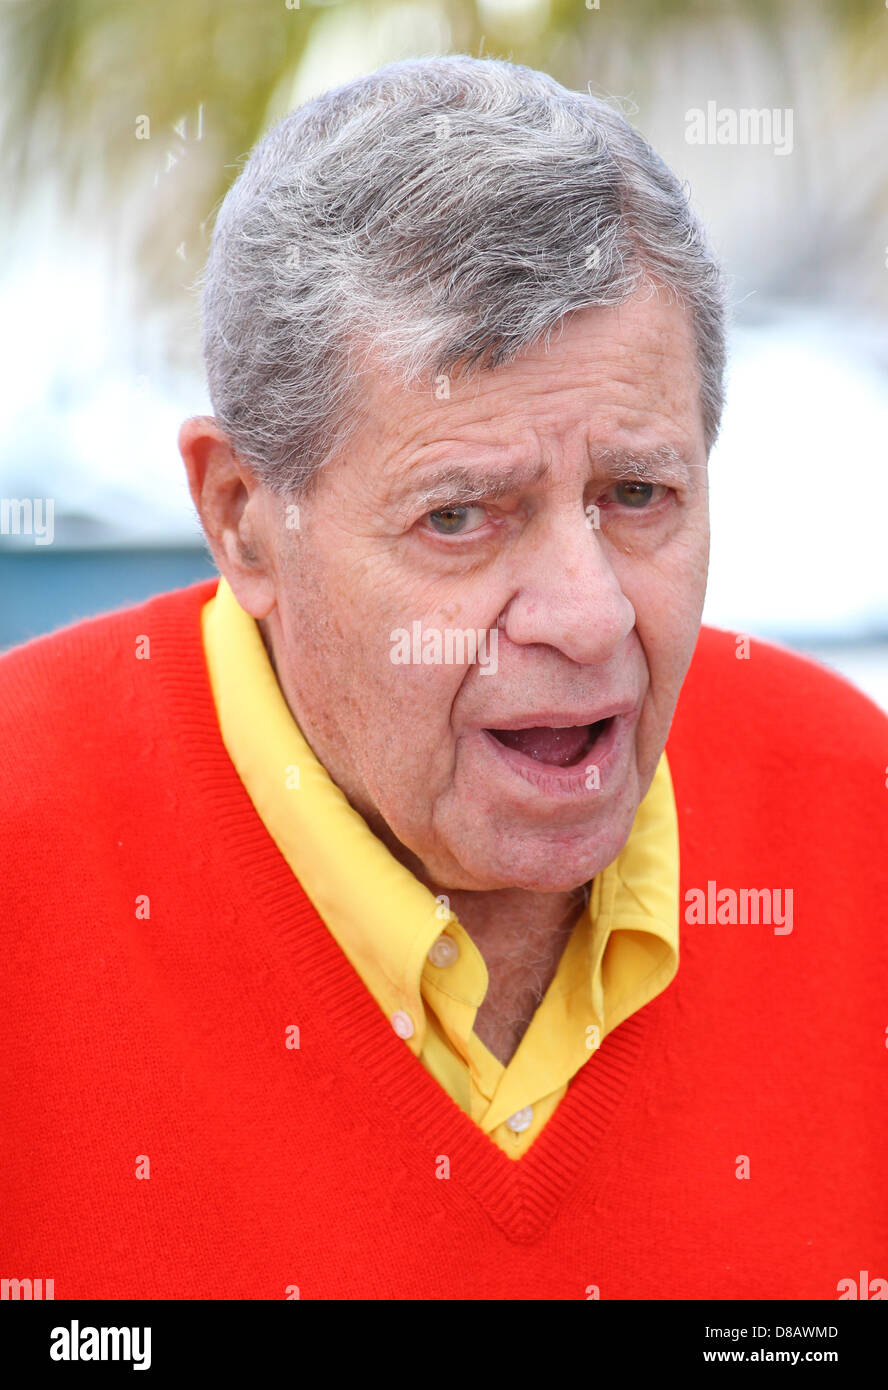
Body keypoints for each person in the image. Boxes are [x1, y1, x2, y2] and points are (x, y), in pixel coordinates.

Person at [2, 54, 885, 1301]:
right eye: (463, 516)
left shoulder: (861, 818)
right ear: (245, 518)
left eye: (638, 495)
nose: (586, 619)